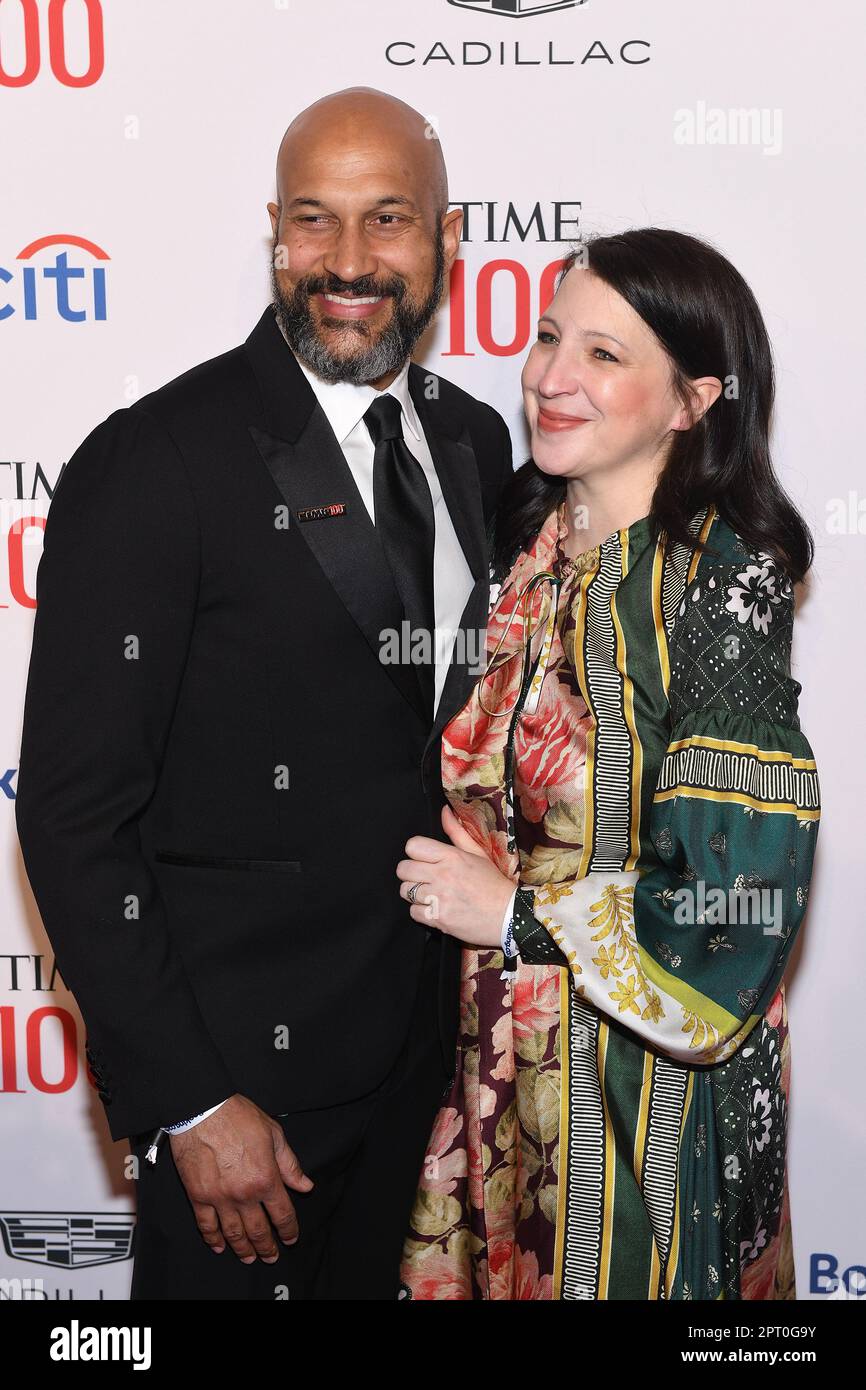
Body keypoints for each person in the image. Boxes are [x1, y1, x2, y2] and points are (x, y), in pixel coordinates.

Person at [14, 87, 513, 1300]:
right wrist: (187, 1101)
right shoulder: (157, 460)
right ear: (274, 235)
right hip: (244, 1107)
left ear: (446, 241)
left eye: (387, 219)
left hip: (424, 1088)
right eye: (313, 221)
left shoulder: (475, 445)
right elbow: (74, 816)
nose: (347, 263)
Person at [397, 229, 820, 1300]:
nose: (547, 376)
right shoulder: (526, 552)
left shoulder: (717, 590)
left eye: (601, 354)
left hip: (643, 1108)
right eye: (547, 338)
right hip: (496, 1071)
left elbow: (733, 908)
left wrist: (516, 918)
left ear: (689, 402)